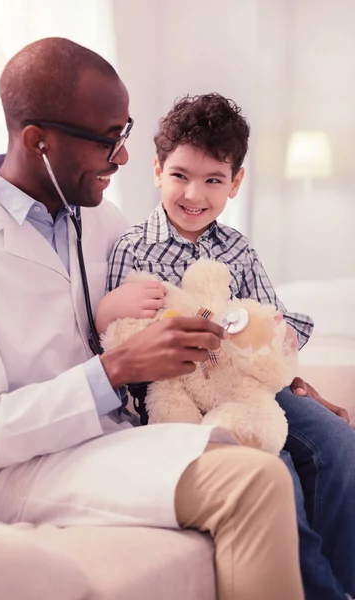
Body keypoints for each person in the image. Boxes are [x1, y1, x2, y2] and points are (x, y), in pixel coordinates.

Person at [0, 37, 304, 600]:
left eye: (124, 133)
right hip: (19, 468)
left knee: (274, 449)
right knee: (254, 483)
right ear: (36, 141)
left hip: (118, 433)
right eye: (106, 140)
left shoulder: (101, 218)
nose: (121, 157)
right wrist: (113, 370)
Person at [104, 93, 355, 600]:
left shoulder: (238, 248)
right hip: (183, 398)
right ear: (157, 170)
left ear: (235, 183)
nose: (194, 193)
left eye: (213, 180)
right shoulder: (132, 247)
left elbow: (273, 328)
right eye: (180, 175)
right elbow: (120, 345)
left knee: (338, 443)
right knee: (269, 466)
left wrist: (290, 367)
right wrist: (114, 309)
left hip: (249, 388)